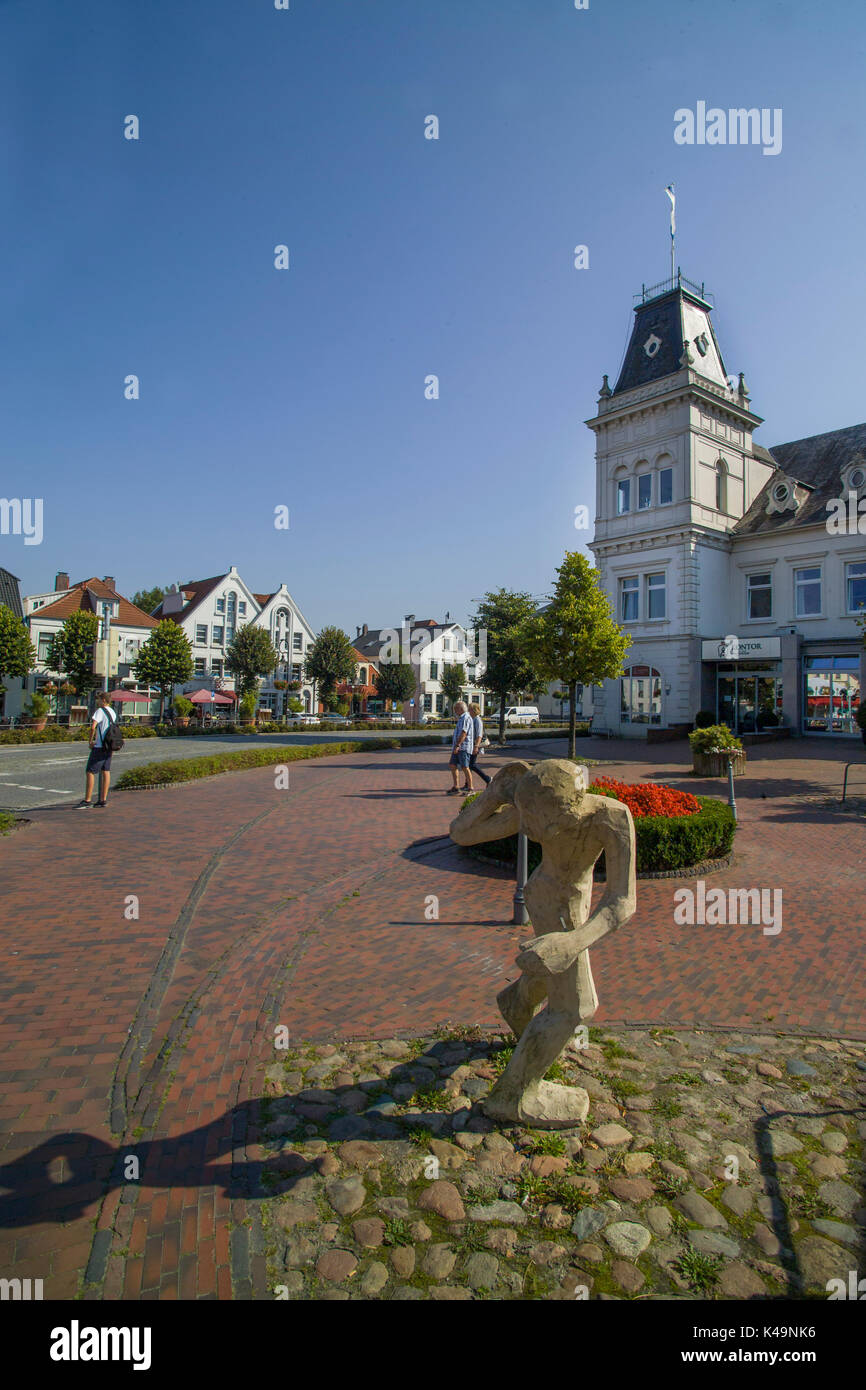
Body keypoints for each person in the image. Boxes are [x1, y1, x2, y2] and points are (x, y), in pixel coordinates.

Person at [77, 691, 117, 809]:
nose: (98, 701)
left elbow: (93, 726)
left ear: (103, 700)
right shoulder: (113, 712)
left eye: (99, 699)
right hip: (109, 746)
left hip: (99, 746)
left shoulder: (100, 711)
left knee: (90, 771)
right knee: (106, 771)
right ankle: (103, 800)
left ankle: (87, 799)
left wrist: (90, 741)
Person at [447, 700, 474, 794]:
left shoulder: (466, 718)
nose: (455, 711)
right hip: (457, 747)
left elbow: (464, 732)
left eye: (456, 709)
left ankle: (470, 788)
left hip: (463, 747)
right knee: (452, 764)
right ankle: (456, 786)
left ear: (461, 709)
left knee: (465, 766)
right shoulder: (461, 718)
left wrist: (458, 745)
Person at [467, 701, 491, 789]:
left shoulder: (477, 720)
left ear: (474, 710)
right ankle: (467, 784)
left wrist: (476, 746)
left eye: (469, 709)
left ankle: (487, 779)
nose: (468, 711)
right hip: (471, 745)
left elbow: (479, 734)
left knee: (471, 765)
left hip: (475, 745)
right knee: (468, 765)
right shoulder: (472, 719)